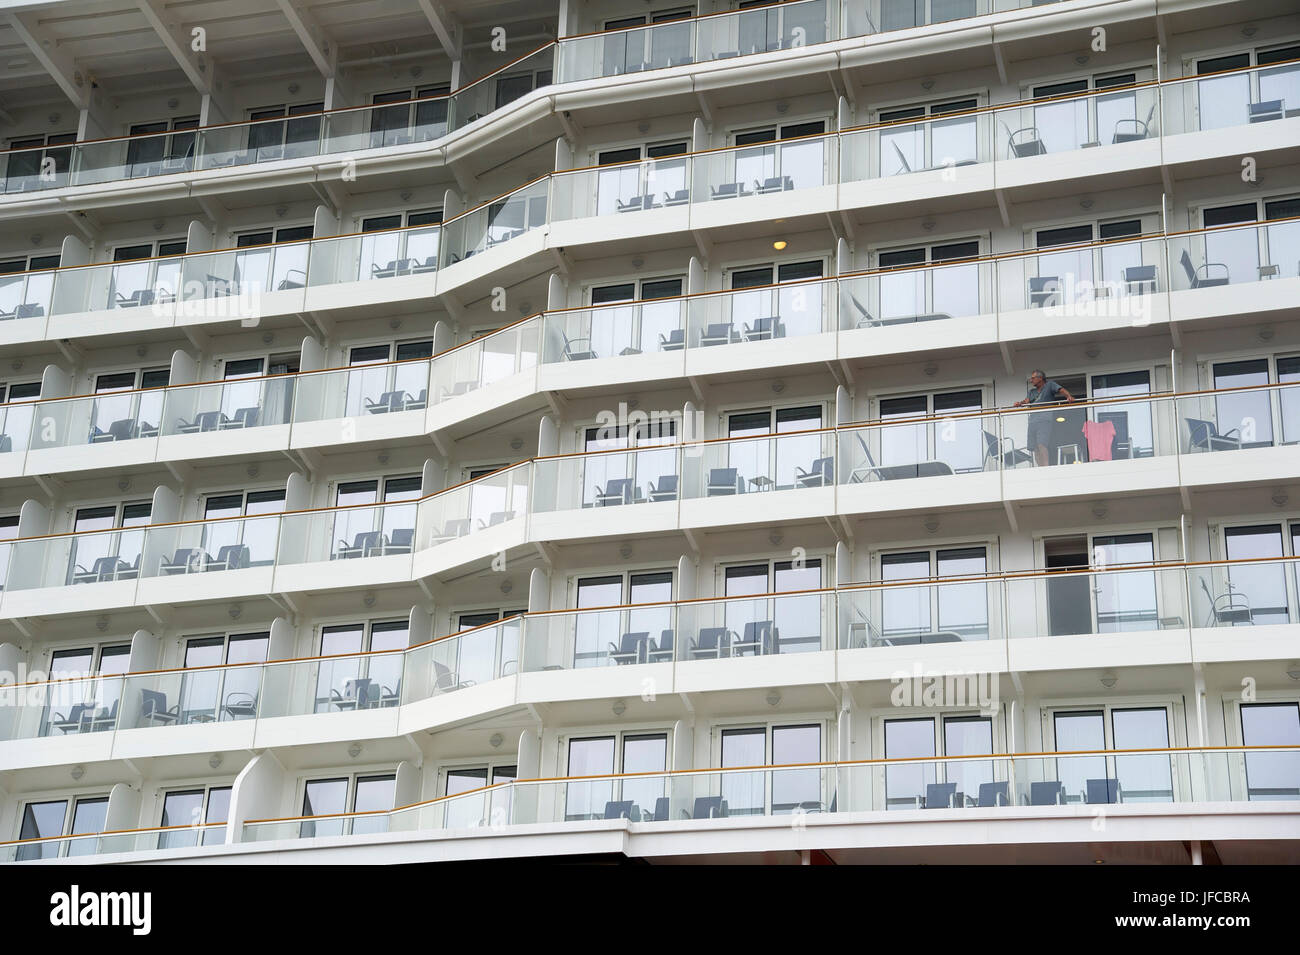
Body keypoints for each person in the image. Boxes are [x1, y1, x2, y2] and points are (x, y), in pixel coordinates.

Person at [1013, 369, 1076, 466]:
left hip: (1044, 419)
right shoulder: (1032, 391)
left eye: (1033, 378)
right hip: (1032, 421)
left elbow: (1061, 390)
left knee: (1041, 444)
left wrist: (1069, 396)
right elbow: (1027, 400)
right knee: (1034, 447)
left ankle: (1045, 466)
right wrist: (1019, 403)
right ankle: (1040, 468)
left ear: (1040, 378)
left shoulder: (1050, 385)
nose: (1031, 380)